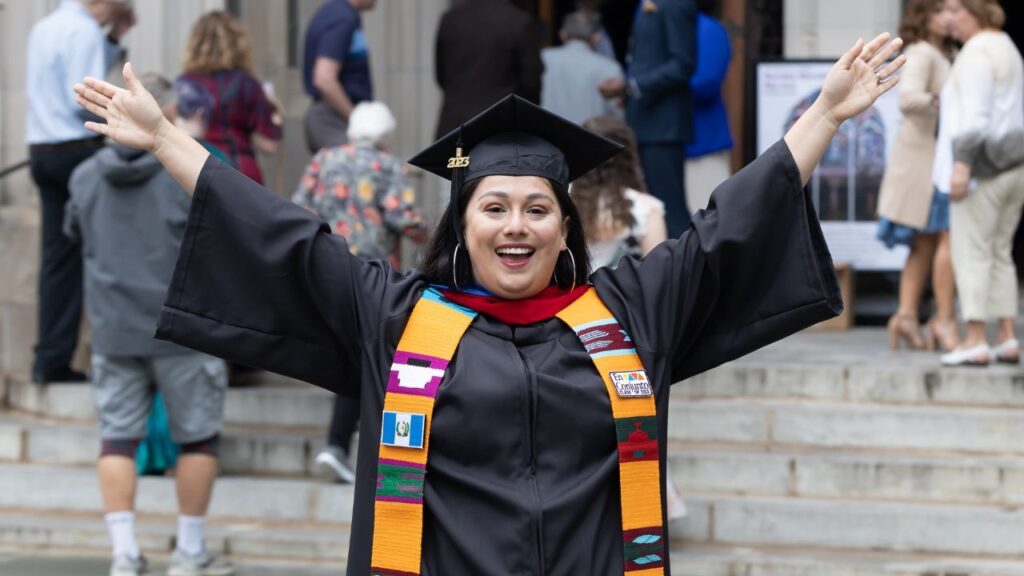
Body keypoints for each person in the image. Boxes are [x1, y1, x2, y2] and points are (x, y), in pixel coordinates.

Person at [74, 32, 904, 575]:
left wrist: (825, 114)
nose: (516, 226)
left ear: (565, 226)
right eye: (494, 207)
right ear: (462, 224)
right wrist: (167, 140)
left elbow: (728, 232)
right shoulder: (399, 321)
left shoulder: (624, 314)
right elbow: (285, 239)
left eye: (537, 208)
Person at [65, 74, 234, 576]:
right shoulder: (185, 172)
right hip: (182, 324)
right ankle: (189, 552)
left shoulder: (84, 176)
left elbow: (74, 234)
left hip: (113, 326)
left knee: (117, 438)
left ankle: (123, 554)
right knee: (198, 437)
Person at [292, 101, 427, 482]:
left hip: (325, 270)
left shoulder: (324, 159)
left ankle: (339, 446)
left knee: (354, 356)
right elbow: (404, 217)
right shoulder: (389, 166)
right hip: (371, 275)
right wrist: (432, 232)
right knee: (366, 355)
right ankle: (346, 447)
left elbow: (300, 208)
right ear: (384, 135)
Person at [571, 115, 690, 521]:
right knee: (634, 422)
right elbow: (660, 275)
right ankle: (642, 507)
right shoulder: (644, 208)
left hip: (568, 327)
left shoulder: (563, 201)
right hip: (625, 332)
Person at [25, 0, 135, 384]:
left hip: (41, 151)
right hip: (76, 151)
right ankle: (118, 356)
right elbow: (83, 100)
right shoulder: (85, 30)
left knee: (58, 260)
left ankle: (50, 358)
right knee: (104, 252)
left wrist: (114, 38)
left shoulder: (46, 26)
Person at [937, 0, 1024, 366]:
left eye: (955, 10)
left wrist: (961, 166)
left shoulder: (975, 52)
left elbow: (975, 114)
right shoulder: (1007, 45)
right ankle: (1006, 335)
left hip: (981, 170)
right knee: (1000, 253)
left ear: (976, 11)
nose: (948, 18)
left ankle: (974, 338)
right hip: (1013, 165)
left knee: (972, 252)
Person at [875, 0, 957, 352]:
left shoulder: (945, 52)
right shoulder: (923, 52)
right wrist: (944, 102)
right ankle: (941, 318)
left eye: (952, 11)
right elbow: (908, 98)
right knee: (943, 239)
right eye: (940, 11)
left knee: (926, 244)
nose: (949, 18)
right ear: (923, 16)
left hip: (930, 159)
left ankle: (906, 316)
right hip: (922, 161)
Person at [600, 0, 697, 239]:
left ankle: (687, 273)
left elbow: (683, 64)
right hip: (647, 120)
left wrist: (634, 85)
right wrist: (630, 92)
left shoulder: (674, 3)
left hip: (662, 125)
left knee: (670, 212)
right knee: (653, 209)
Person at [178, 11, 281, 185]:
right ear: (238, 45)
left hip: (195, 169)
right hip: (240, 172)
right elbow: (268, 145)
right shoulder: (247, 84)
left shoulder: (184, 84)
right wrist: (276, 116)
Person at [434, 0, 544, 137]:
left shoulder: (451, 19)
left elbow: (441, 75)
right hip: (498, 128)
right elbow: (531, 83)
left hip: (454, 125)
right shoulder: (519, 22)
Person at [302, 0, 376, 153]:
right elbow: (324, 79)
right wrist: (358, 121)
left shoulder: (339, 14)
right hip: (335, 118)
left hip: (336, 117)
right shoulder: (342, 17)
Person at [684, 0, 734, 213]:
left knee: (708, 220)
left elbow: (708, 81)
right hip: (667, 146)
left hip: (703, 146)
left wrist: (657, 87)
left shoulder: (708, 29)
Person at [540, 11, 624, 125]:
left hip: (547, 137)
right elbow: (619, 115)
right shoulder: (610, 67)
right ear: (596, 38)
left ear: (562, 34)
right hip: (592, 138)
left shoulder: (543, 58)